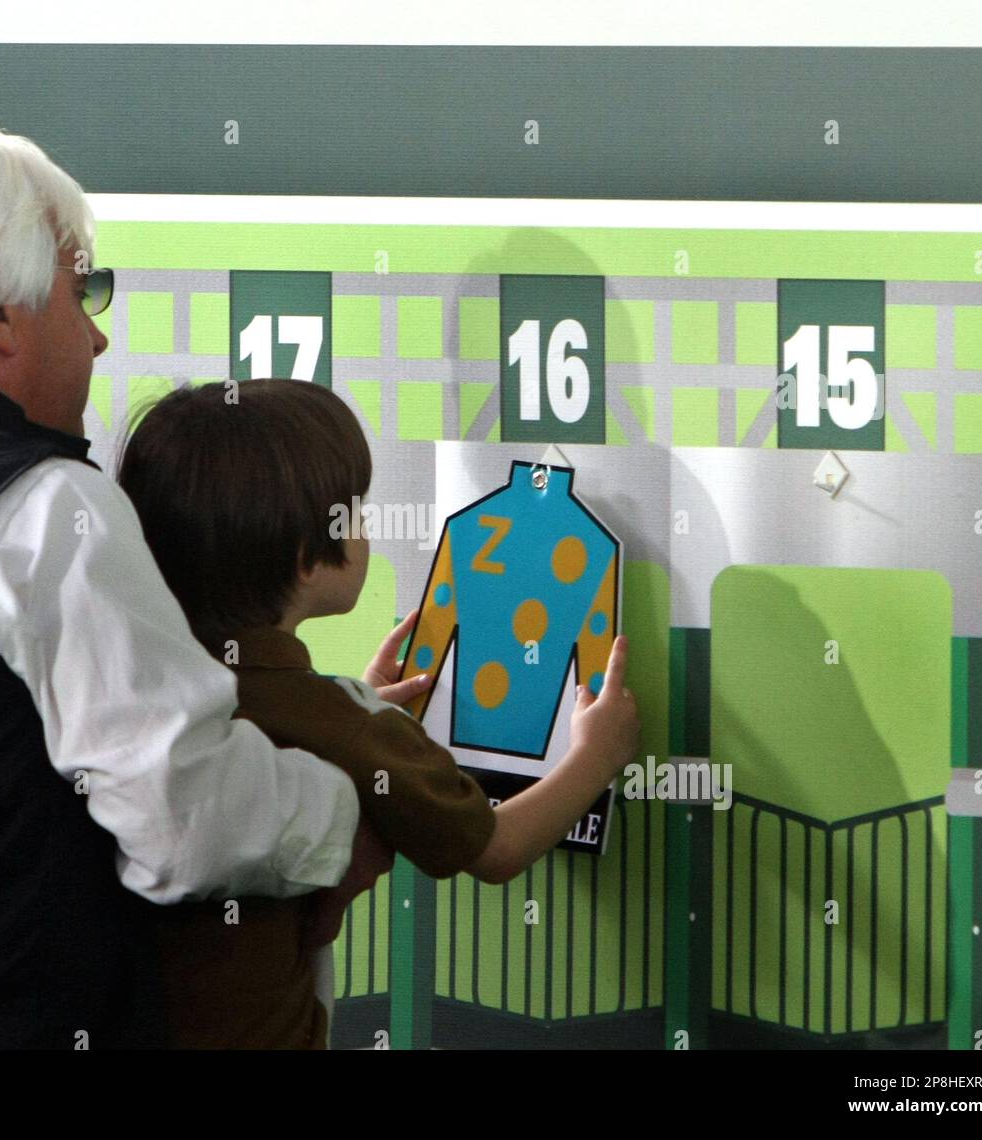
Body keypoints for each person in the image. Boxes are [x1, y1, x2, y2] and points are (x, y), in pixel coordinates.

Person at [0, 126, 414, 1048]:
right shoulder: (40, 506)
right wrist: (354, 794)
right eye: (79, 287)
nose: (97, 334)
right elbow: (189, 824)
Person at [116, 379, 642, 1048]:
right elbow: (497, 847)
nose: (366, 530)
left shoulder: (127, 693)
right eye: (355, 514)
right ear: (309, 556)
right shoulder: (345, 724)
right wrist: (597, 756)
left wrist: (357, 711)